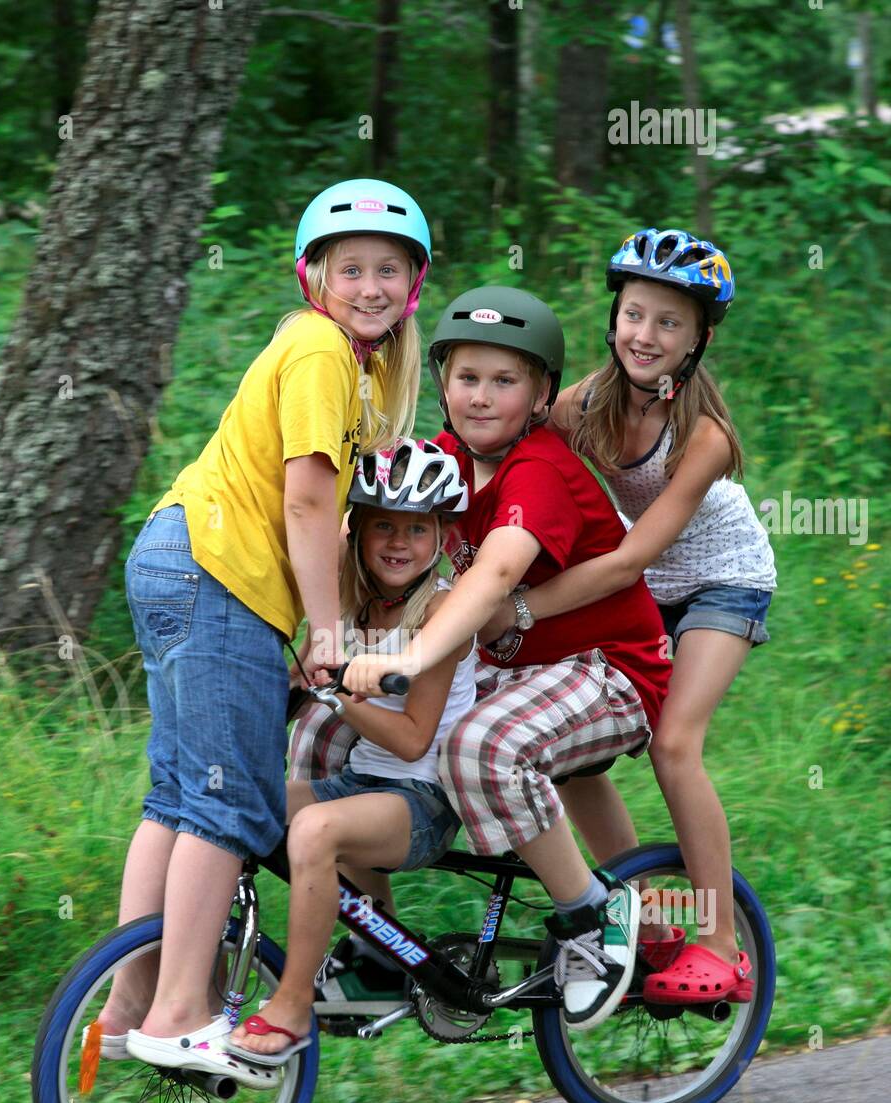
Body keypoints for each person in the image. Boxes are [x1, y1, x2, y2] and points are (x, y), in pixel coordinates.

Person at [83, 179, 432, 1082]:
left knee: (177, 799)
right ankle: (180, 1011)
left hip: (180, 560)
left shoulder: (342, 363)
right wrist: (326, 635)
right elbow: (309, 497)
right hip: (215, 574)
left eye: (386, 270)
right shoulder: (320, 349)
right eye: (348, 268)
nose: (368, 286)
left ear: (414, 284)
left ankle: (127, 1004)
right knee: (229, 804)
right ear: (313, 276)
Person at [340, 286, 673, 1030]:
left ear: (541, 393)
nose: (481, 398)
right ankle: (376, 950)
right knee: (330, 734)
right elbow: (366, 538)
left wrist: (411, 656)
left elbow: (492, 574)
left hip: (607, 667)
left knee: (481, 746)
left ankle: (590, 918)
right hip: (512, 669)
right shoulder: (445, 460)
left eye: (504, 381)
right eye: (466, 379)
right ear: (443, 383)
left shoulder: (538, 471)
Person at [485, 229, 771, 1003]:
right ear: (614, 319)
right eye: (635, 315)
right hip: (641, 587)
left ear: (698, 341)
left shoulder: (703, 436)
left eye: (668, 324)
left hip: (716, 580)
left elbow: (626, 561)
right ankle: (646, 919)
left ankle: (718, 943)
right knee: (574, 756)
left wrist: (514, 607)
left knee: (675, 744)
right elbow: (508, 449)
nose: (645, 336)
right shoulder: (579, 404)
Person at [224, 442, 476, 1061]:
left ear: (441, 536)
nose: (399, 541)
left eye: (417, 528)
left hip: (424, 799)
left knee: (311, 832)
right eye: (383, 525)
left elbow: (415, 737)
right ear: (357, 530)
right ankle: (209, 973)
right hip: (364, 783)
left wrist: (340, 692)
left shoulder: (441, 612)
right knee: (236, 807)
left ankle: (292, 1009)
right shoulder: (350, 598)